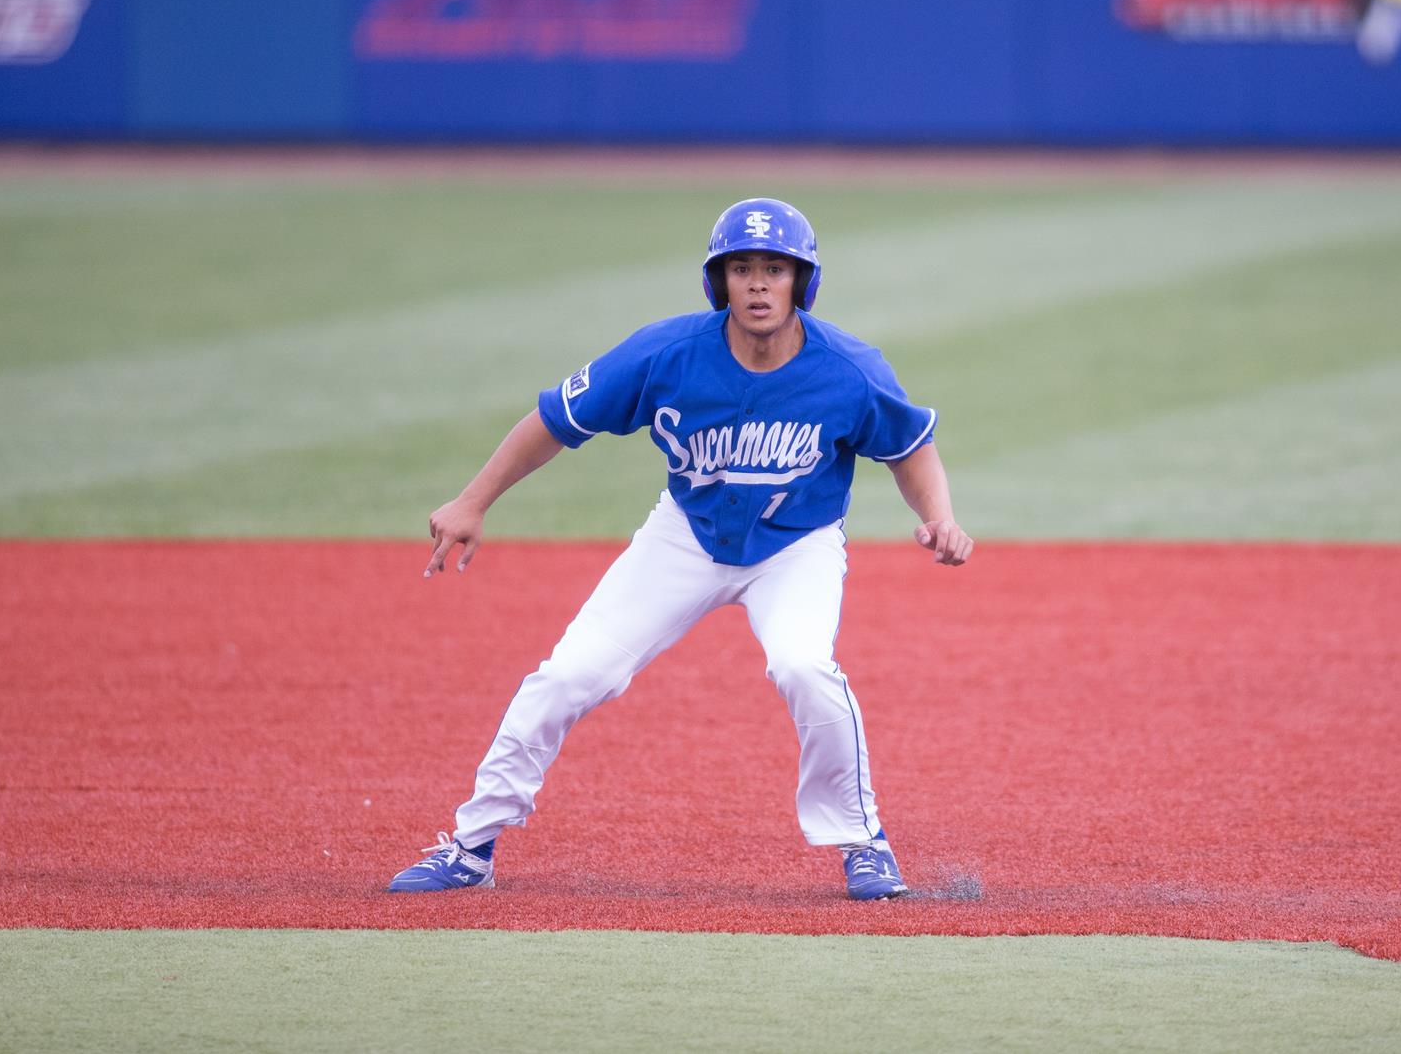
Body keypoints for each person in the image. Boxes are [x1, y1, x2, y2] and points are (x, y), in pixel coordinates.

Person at [389, 198, 972, 900]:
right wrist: (474, 500)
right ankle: (472, 846)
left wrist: (939, 517)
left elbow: (909, 447)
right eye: (742, 268)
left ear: (802, 280)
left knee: (804, 666)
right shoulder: (664, 354)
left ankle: (863, 841)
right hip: (684, 537)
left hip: (797, 547)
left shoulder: (850, 367)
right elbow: (556, 419)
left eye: (775, 269)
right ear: (719, 280)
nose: (758, 284)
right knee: (569, 674)